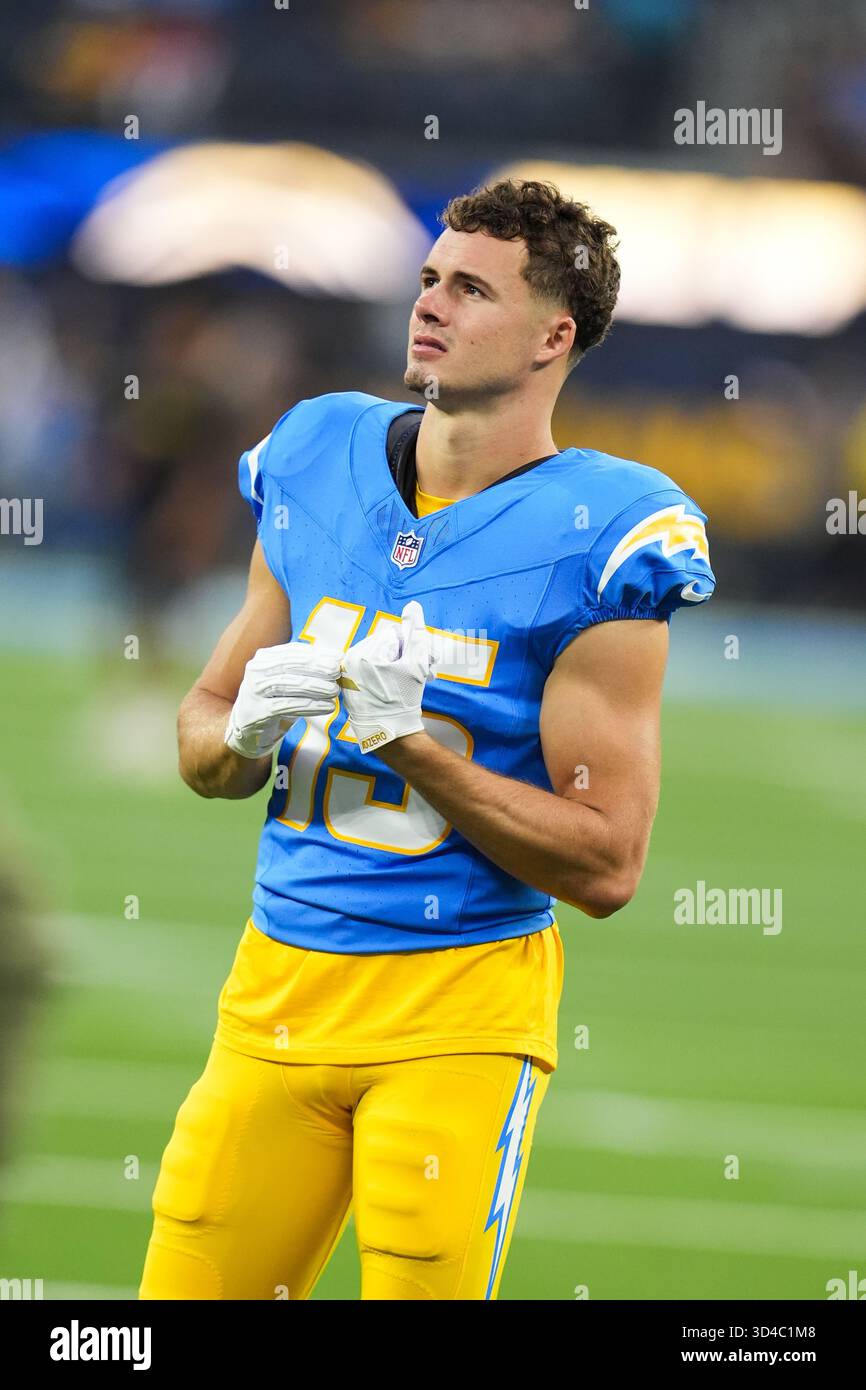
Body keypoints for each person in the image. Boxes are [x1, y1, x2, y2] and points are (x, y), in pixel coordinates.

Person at [139, 178, 715, 1301]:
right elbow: (203, 738)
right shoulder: (317, 450)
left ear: (555, 335)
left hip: (453, 1012)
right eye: (427, 279)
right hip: (273, 991)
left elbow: (606, 863)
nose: (430, 306)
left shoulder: (599, 529)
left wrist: (417, 751)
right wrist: (242, 728)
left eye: (470, 288)